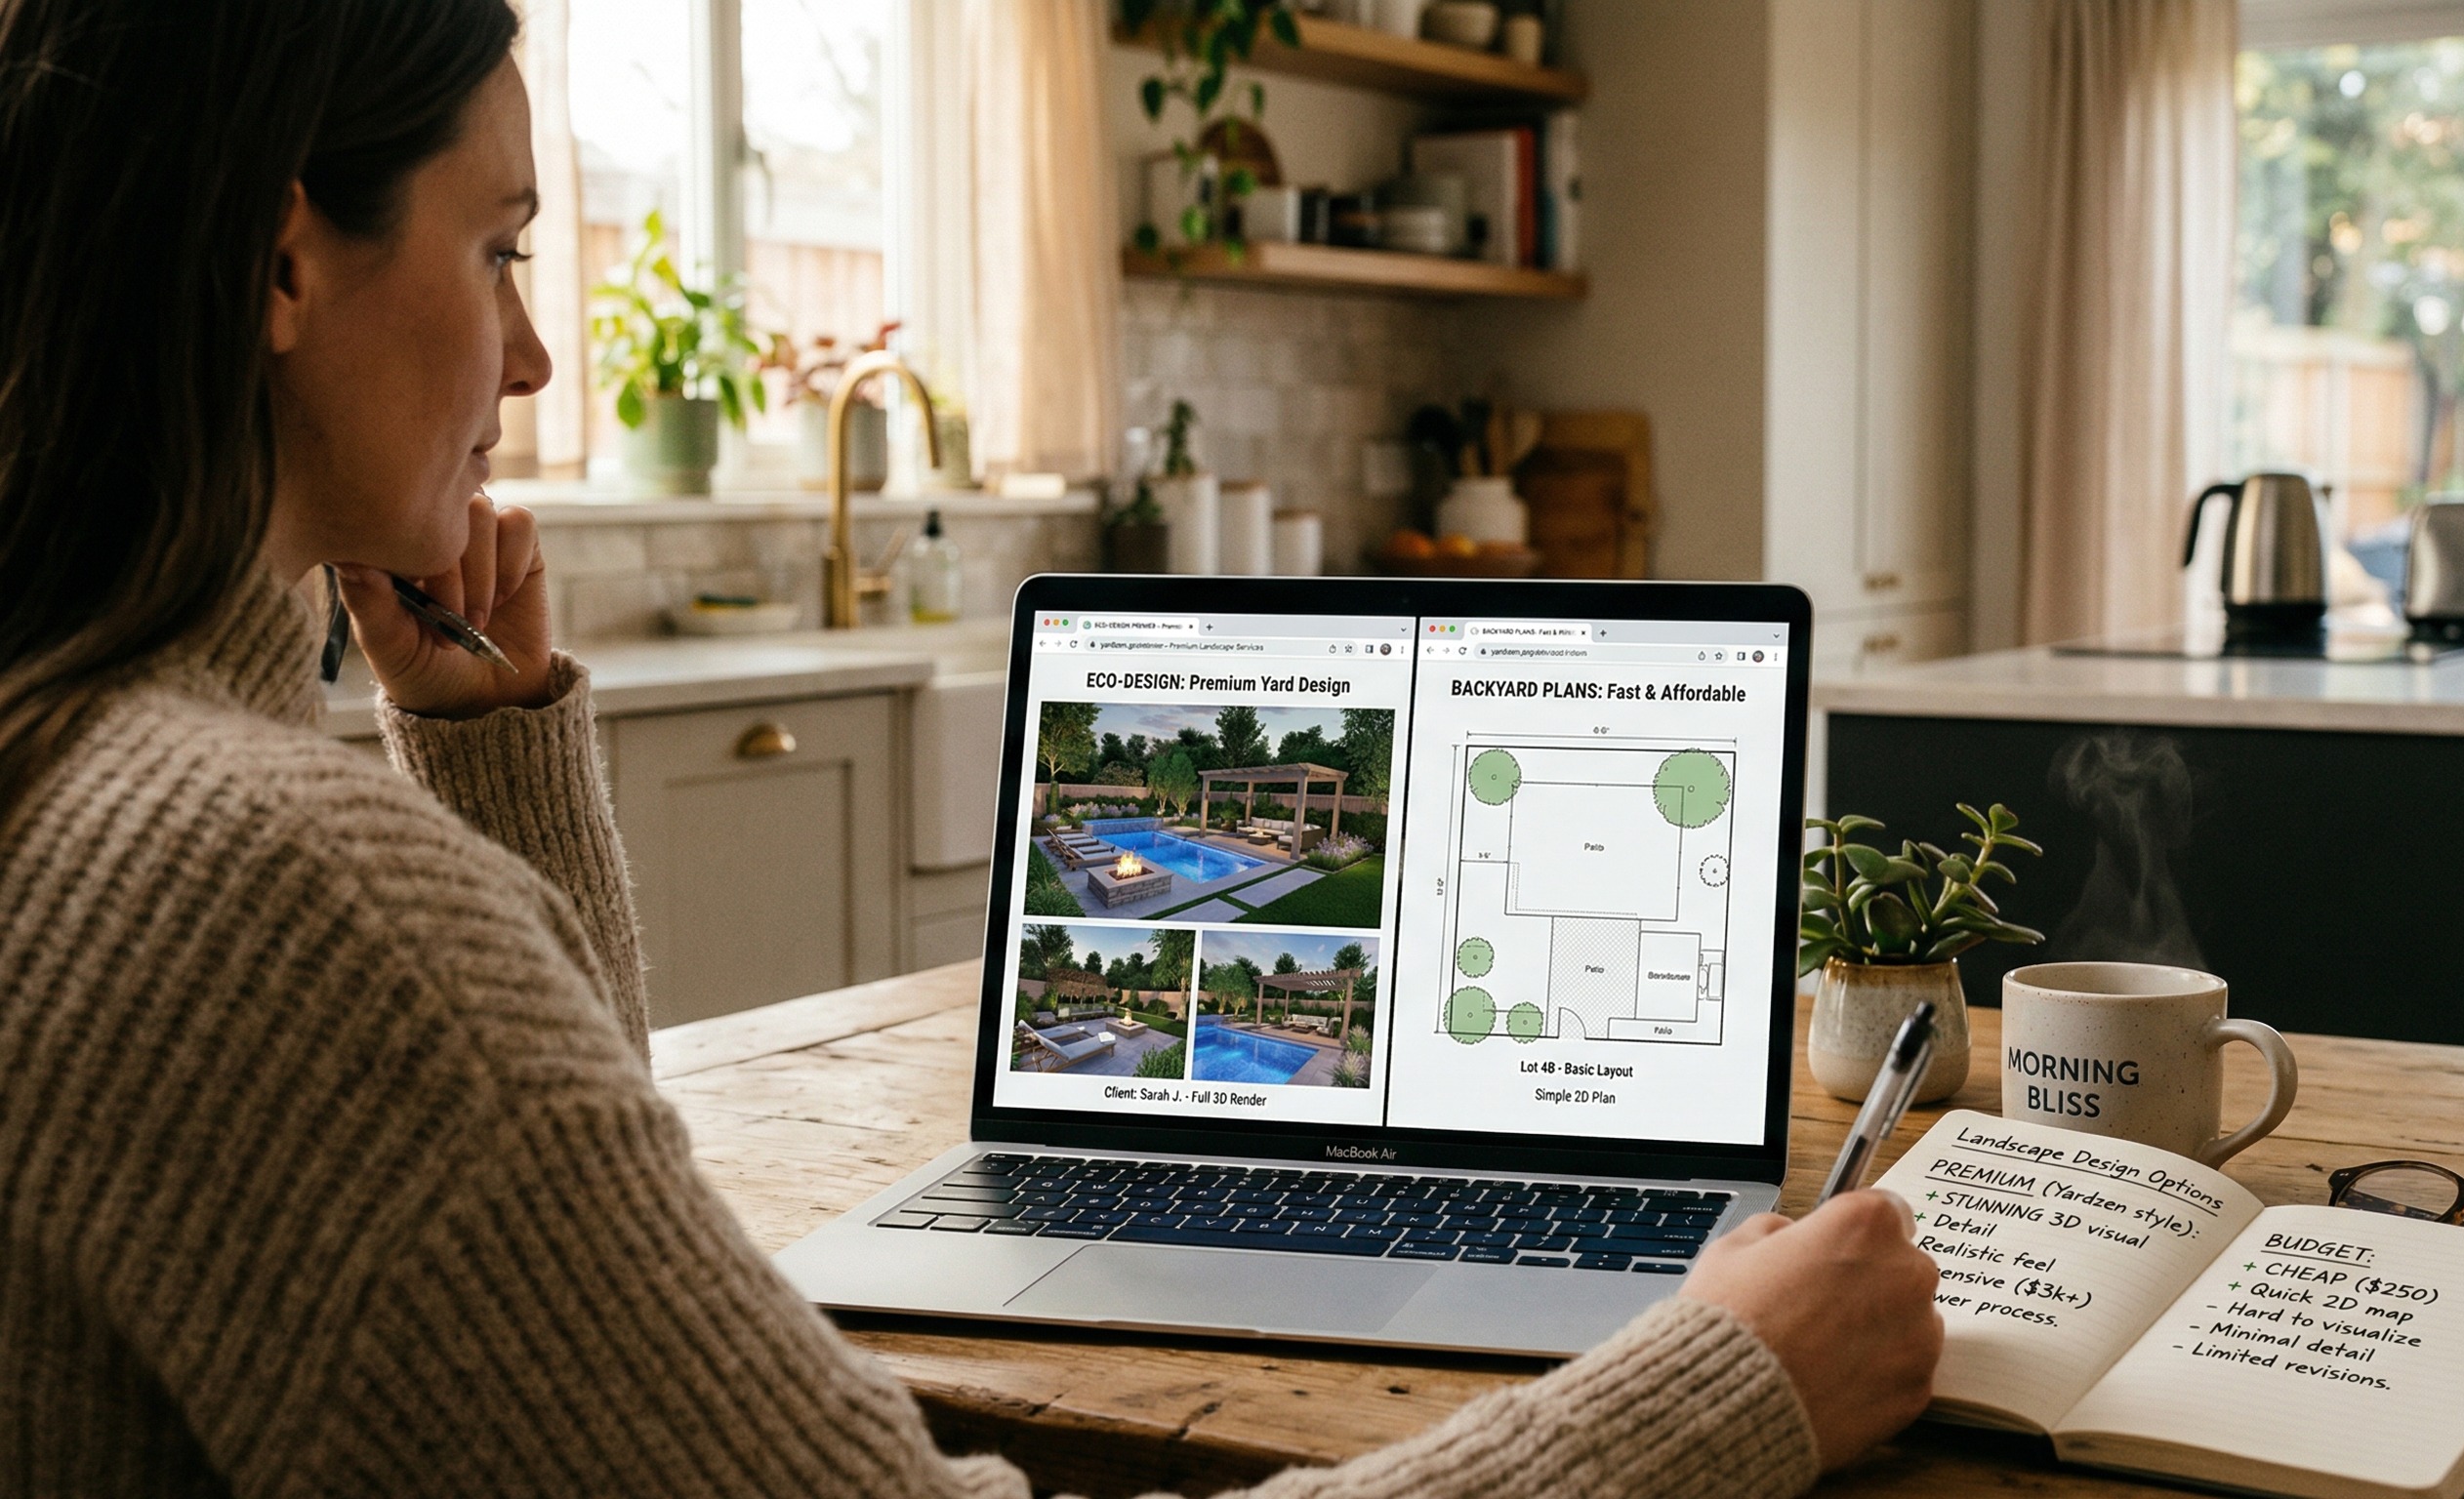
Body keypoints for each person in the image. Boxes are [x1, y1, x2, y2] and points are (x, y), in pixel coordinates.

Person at [0, 2, 1945, 1493]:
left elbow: (533, 1318)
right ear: (279, 264)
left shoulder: (81, 771)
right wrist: (1726, 1392)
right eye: (503, 247)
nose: (528, 359)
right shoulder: (273, 891)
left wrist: (496, 754)